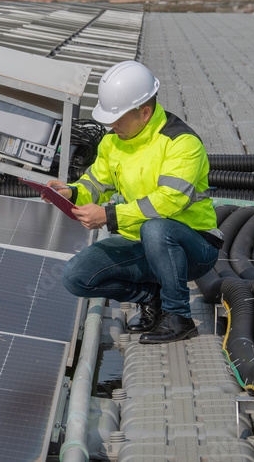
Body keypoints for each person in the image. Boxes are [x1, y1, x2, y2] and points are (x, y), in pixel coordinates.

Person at [47, 61, 223, 344]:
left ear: (145, 113)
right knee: (76, 276)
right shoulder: (113, 141)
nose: (111, 125)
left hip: (193, 246)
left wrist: (109, 216)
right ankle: (151, 297)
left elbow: (168, 202)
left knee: (156, 228)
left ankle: (178, 317)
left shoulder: (181, 142)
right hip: (141, 241)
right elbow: (95, 183)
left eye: (117, 117)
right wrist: (70, 192)